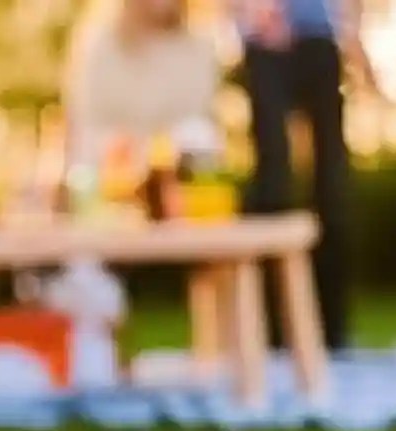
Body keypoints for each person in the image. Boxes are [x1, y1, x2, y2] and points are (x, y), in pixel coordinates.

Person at [235, 0, 379, 352]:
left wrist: (353, 34)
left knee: (332, 189)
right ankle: (272, 331)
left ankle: (334, 332)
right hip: (263, 41)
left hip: (319, 38)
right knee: (273, 186)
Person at [63, 0, 220, 175]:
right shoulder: (97, 46)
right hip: (110, 180)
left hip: (179, 183)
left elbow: (201, 129)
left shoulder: (200, 49)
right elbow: (85, 129)